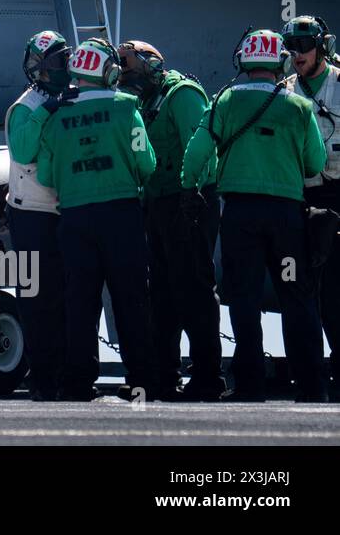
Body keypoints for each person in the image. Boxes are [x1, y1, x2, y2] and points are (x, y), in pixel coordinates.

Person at [182, 29, 327, 402]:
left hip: (241, 217)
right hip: (286, 220)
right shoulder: (298, 106)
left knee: (244, 298)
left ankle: (249, 385)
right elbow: (315, 162)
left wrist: (190, 188)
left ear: (242, 61)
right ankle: (311, 386)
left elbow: (197, 151)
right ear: (279, 61)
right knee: (296, 295)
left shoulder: (225, 100)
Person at [36, 37, 157, 401]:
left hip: (74, 217)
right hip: (121, 214)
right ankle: (141, 380)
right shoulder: (127, 109)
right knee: (132, 300)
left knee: (80, 303)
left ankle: (77, 383)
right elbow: (147, 163)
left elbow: (45, 175)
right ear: (108, 71)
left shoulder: (57, 117)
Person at [118, 40, 225, 402]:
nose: (126, 78)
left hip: (191, 201)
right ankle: (163, 375)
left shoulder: (182, 95)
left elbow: (203, 146)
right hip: (160, 205)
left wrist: (189, 194)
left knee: (194, 287)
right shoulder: (143, 103)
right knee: (161, 294)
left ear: (151, 66)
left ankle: (209, 376)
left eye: (131, 69)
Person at [4, 30, 71, 401]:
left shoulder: (65, 98)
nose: (67, 67)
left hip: (61, 213)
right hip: (31, 217)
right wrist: (47, 112)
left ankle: (65, 374)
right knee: (35, 299)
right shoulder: (26, 108)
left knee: (64, 297)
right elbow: (24, 151)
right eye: (60, 61)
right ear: (43, 67)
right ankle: (43, 378)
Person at [283, 15, 340, 399]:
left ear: (322, 46)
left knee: (337, 289)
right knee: (305, 290)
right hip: (305, 199)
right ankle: (311, 375)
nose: (297, 54)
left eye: (304, 46)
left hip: (339, 195)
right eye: (291, 47)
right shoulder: (285, 91)